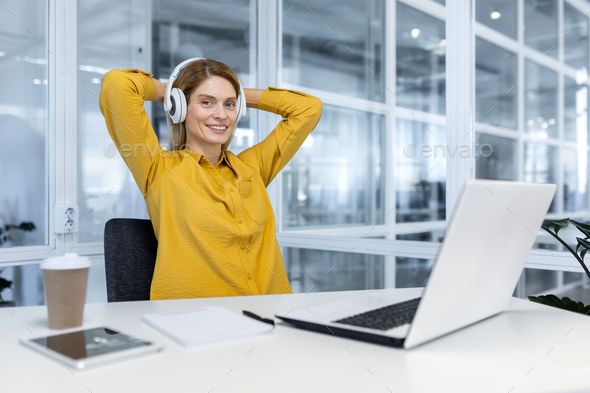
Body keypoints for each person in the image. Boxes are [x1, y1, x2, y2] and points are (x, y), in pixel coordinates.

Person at [99, 59, 322, 300]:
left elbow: (308, 108)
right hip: (197, 323)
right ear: (181, 107)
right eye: (206, 102)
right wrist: (172, 92)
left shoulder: (252, 167)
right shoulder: (158, 169)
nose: (221, 115)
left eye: (229, 105)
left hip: (271, 314)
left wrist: (236, 94)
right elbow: (117, 84)